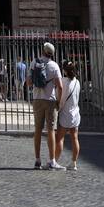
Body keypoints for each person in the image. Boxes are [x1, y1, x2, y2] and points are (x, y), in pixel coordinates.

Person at [28, 40, 64, 170]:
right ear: (52, 54)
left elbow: (28, 82)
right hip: (50, 100)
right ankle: (52, 160)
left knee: (37, 130)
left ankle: (37, 160)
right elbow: (60, 86)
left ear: (43, 51)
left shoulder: (34, 62)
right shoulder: (54, 66)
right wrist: (59, 101)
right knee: (50, 130)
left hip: (37, 99)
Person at [56, 61, 82, 171]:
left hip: (65, 113)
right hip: (75, 113)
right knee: (75, 138)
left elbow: (59, 96)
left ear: (65, 71)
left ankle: (55, 161)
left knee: (60, 138)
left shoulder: (63, 81)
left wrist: (58, 106)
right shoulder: (77, 82)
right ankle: (74, 163)